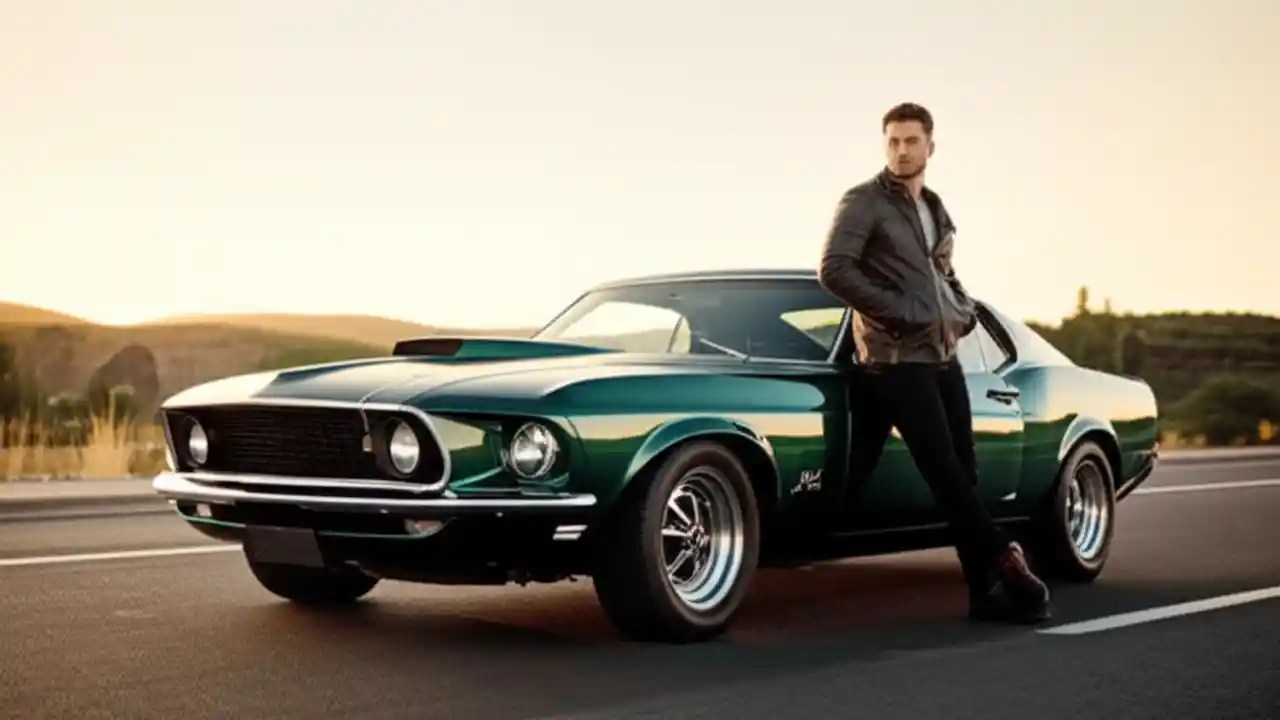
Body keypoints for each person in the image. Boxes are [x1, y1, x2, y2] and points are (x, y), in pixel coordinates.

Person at [817, 102, 1051, 624]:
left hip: (941, 355)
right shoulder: (864, 202)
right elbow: (833, 270)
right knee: (944, 473)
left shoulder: (934, 207)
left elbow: (943, 272)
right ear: (885, 146)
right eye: (893, 142)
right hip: (893, 359)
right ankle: (1005, 558)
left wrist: (959, 309)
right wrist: (902, 312)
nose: (902, 151)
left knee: (963, 472)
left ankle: (983, 595)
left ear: (930, 146)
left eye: (911, 142)